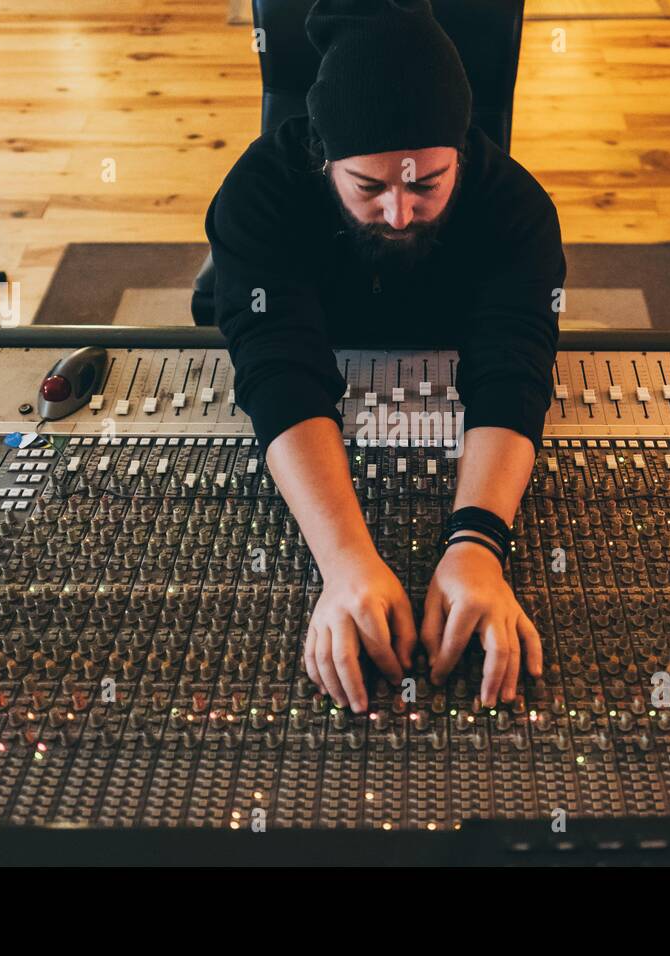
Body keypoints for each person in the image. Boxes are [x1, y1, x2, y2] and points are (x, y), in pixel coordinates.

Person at [203, 0, 565, 712]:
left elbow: (512, 370)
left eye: (427, 184)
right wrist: (343, 565)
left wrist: (477, 546)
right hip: (314, 330)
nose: (400, 213)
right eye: (369, 188)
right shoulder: (258, 193)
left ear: (462, 149)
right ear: (323, 157)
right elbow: (281, 372)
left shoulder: (518, 206)